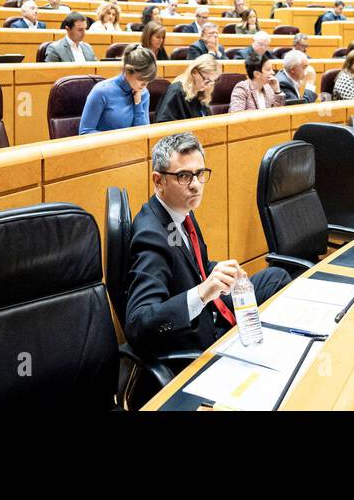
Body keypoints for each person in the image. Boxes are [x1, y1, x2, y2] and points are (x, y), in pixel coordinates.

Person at [124, 132, 291, 359]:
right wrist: (203, 293)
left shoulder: (179, 212)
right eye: (183, 176)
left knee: (275, 277)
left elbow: (193, 265)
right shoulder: (150, 236)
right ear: (158, 180)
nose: (195, 185)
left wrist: (220, 272)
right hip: (192, 335)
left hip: (210, 310)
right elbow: (138, 323)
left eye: (199, 174)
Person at [79, 45, 155, 134]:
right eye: (141, 78)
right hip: (105, 146)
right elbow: (85, 132)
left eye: (148, 79)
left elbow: (143, 134)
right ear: (127, 71)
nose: (145, 84)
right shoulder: (101, 91)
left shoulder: (143, 93)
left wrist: (137, 104)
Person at [155, 54, 219, 123]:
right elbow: (164, 124)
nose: (207, 85)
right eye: (205, 79)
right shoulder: (176, 91)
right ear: (194, 72)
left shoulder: (202, 93)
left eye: (211, 81)